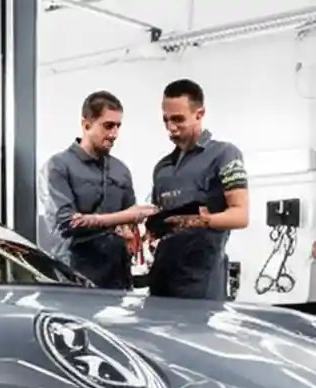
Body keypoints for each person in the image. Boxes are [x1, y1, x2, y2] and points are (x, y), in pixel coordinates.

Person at [37, 91, 156, 289]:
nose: (114, 134)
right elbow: (65, 224)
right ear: (86, 125)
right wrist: (124, 217)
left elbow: (129, 219)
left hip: (118, 279)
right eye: (108, 126)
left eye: (118, 126)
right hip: (77, 280)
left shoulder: (121, 170)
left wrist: (130, 230)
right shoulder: (57, 166)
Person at [146, 79, 249, 300]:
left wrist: (197, 220)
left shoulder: (224, 155)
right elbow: (158, 220)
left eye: (178, 120)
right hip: (162, 280)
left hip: (202, 281)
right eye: (166, 120)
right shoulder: (162, 168)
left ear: (199, 114)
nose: (171, 127)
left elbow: (240, 215)